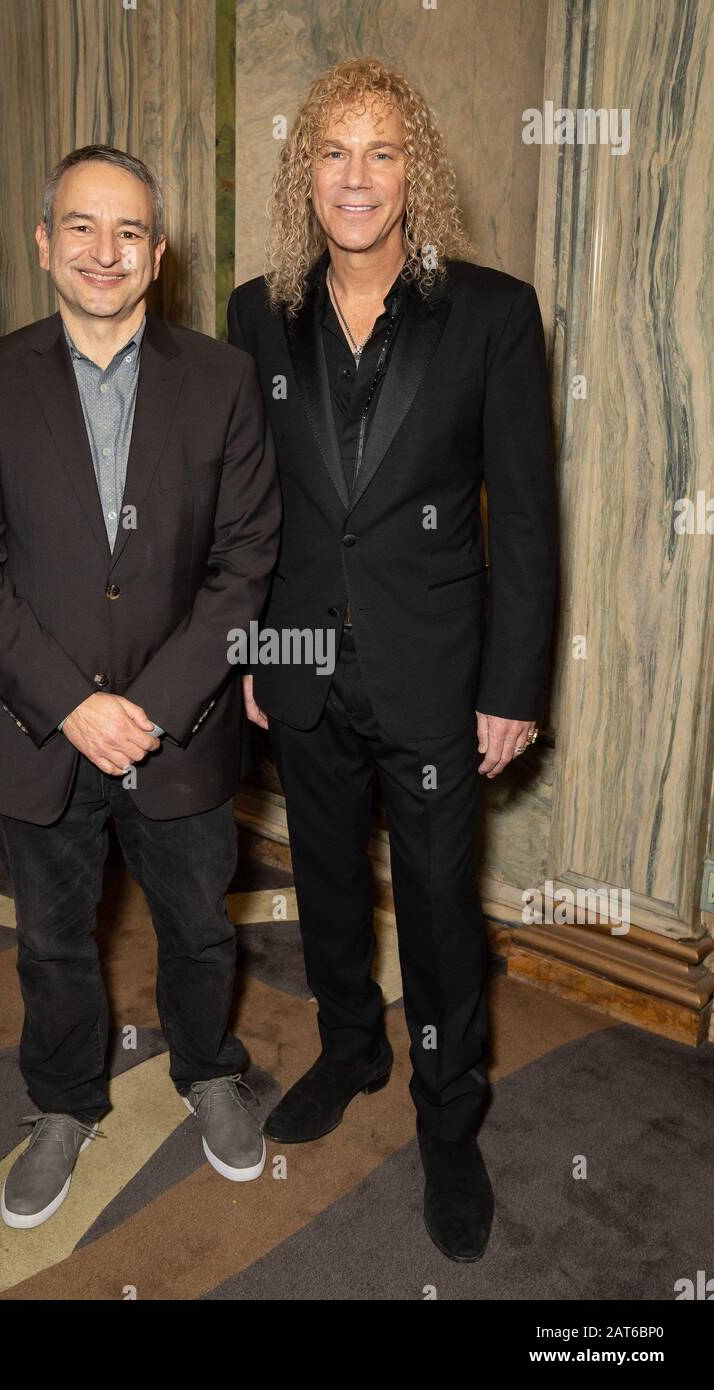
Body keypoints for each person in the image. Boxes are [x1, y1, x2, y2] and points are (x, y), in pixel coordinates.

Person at [227, 59, 558, 1261]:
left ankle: (447, 1119)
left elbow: (521, 516)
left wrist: (512, 686)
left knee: (433, 909)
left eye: (379, 151)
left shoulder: (490, 311)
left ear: (411, 167)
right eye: (331, 152)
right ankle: (351, 1048)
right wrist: (261, 649)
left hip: (433, 672)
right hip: (305, 662)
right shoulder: (256, 311)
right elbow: (251, 508)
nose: (354, 177)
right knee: (323, 882)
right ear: (301, 174)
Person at [0, 144, 281, 1227]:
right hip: (39, 731)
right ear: (44, 244)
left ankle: (209, 1071)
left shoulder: (220, 379)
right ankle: (64, 1104)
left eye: (128, 231)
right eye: (80, 226)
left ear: (157, 254)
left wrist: (154, 705)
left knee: (198, 925)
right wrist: (71, 703)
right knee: (50, 937)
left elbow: (245, 562)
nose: (104, 250)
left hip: (180, 728)